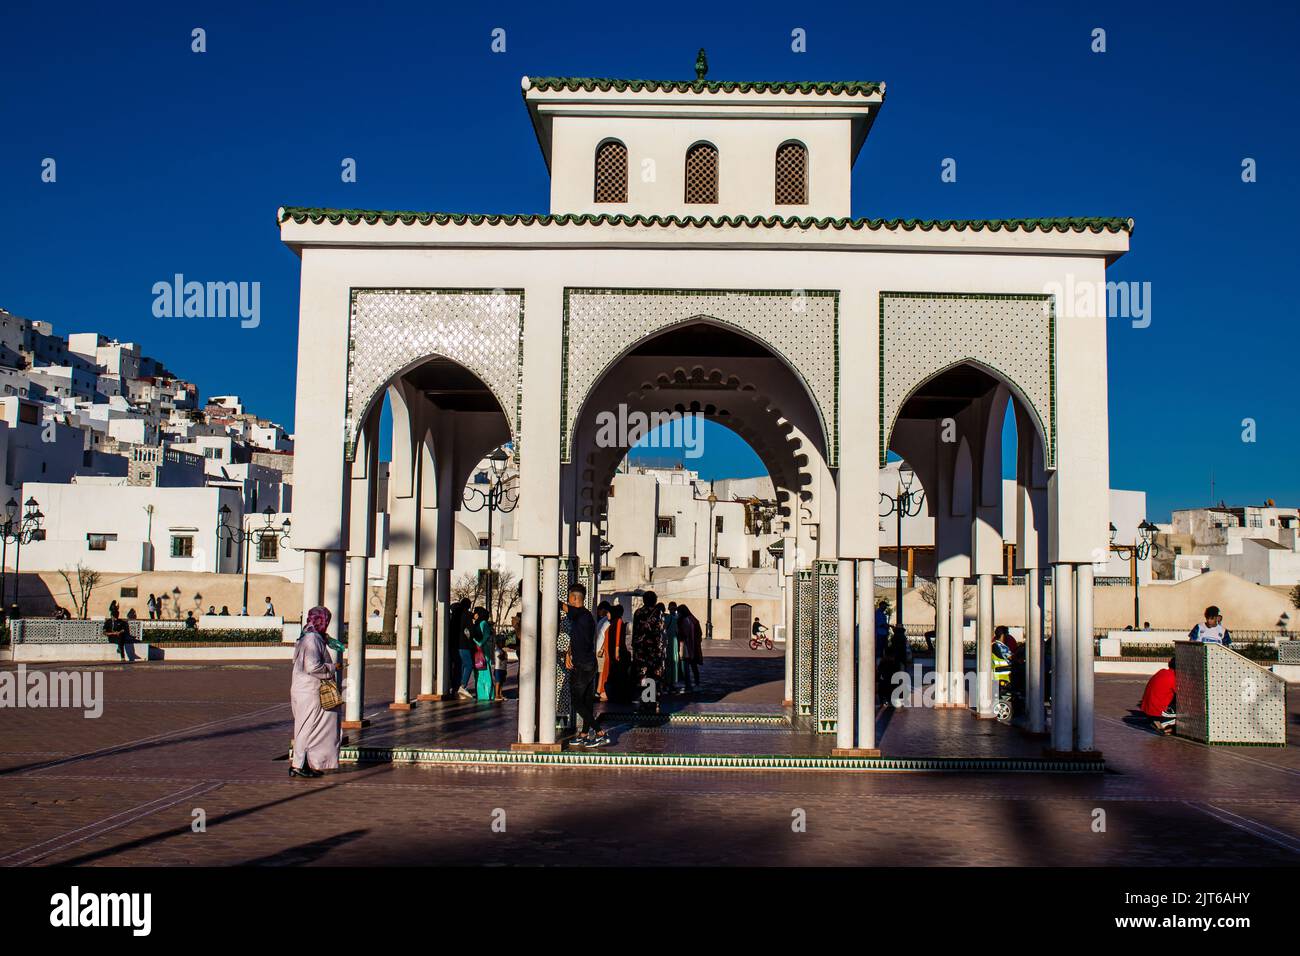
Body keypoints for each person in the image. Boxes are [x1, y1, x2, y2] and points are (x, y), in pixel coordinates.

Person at [289, 606, 341, 777]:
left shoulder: (306, 636)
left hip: (301, 688)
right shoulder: (312, 639)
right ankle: (300, 764)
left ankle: (304, 763)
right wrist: (333, 668)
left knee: (304, 728)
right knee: (308, 729)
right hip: (310, 690)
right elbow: (312, 666)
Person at [563, 583, 608, 747]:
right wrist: (569, 652)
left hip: (583, 666)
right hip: (589, 664)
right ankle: (584, 733)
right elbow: (577, 639)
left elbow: (562, 606)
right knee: (587, 701)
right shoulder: (584, 617)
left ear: (574, 599)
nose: (568, 601)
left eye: (569, 598)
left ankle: (599, 732)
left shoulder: (582, 614)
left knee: (576, 701)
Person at [632, 591, 665, 712]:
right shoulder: (658, 613)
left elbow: (635, 632)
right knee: (653, 676)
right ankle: (651, 702)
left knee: (643, 675)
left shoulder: (638, 612)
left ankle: (645, 701)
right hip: (654, 651)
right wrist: (662, 652)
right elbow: (662, 633)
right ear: (655, 600)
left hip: (640, 650)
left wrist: (635, 650)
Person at [1139, 657, 1177, 735]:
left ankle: (1156, 721)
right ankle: (1164, 724)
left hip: (1147, 708)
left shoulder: (1161, 672)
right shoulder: (1174, 677)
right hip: (1158, 710)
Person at [471, 607, 495, 701]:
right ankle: (481, 695)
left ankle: (486, 695)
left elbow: (485, 637)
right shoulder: (477, 624)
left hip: (483, 651)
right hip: (478, 652)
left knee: (485, 673)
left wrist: (475, 640)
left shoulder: (483, 623)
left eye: (476, 613)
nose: (474, 615)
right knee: (479, 673)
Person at [678, 603, 702, 691]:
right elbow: (699, 634)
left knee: (686, 667)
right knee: (693, 666)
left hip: (685, 647)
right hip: (694, 647)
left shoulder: (682, 620)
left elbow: (682, 634)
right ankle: (696, 683)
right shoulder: (694, 620)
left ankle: (688, 684)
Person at [455, 599, 476, 699]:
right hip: (465, 645)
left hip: (457, 644)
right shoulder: (467, 616)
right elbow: (468, 630)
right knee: (469, 665)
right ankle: (463, 686)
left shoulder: (457, 614)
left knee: (462, 665)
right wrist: (470, 639)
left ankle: (458, 686)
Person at [595, 600, 612, 700]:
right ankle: (598, 690)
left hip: (600, 649)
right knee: (600, 671)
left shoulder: (606, 621)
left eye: (599, 610)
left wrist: (601, 648)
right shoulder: (604, 620)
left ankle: (598, 691)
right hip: (599, 649)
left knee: (600, 671)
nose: (598, 612)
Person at [664, 602, 680, 691]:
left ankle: (668, 682)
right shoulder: (677, 619)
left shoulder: (667, 618)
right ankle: (672, 683)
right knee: (673, 663)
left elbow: (664, 629)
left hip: (668, 642)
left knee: (668, 663)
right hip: (674, 642)